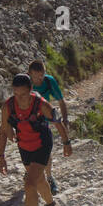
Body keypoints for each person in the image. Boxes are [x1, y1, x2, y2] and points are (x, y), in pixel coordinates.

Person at [0, 73, 71, 206]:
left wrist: (66, 142)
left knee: (29, 183)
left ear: (30, 91)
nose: (19, 98)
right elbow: (3, 130)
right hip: (24, 146)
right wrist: (1, 157)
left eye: (23, 94)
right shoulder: (8, 106)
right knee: (38, 181)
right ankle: (52, 205)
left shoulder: (41, 104)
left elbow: (57, 122)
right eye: (16, 94)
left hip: (42, 144)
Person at [28, 59, 72, 195]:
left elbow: (60, 100)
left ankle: (49, 177)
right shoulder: (25, 82)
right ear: (29, 74)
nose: (38, 79)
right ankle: (33, 173)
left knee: (46, 150)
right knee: (29, 150)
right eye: (35, 76)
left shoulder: (49, 81)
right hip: (27, 120)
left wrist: (65, 119)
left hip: (43, 118)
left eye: (41, 75)